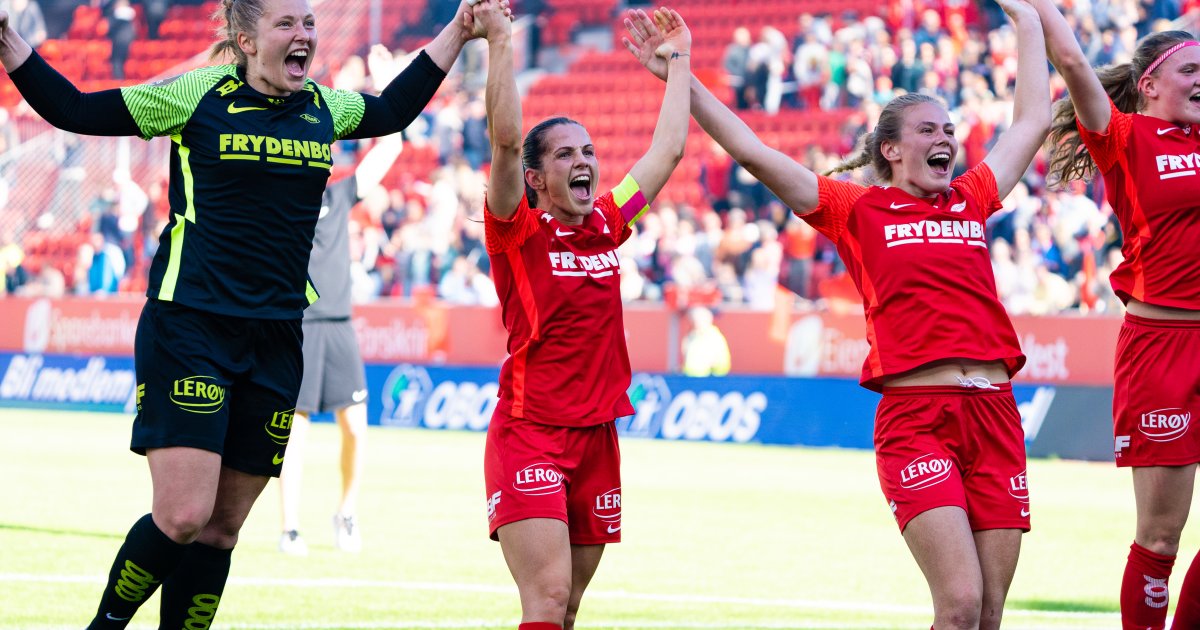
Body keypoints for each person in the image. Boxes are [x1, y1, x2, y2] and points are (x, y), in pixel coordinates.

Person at [0, 0, 489, 626]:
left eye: (308, 24)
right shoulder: (195, 95)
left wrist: (460, 28)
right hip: (192, 323)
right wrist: (11, 42)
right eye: (286, 24)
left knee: (222, 530)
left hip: (279, 337)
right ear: (245, 39)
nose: (303, 35)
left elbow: (392, 109)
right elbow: (74, 110)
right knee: (183, 515)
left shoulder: (324, 107)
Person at [625, 1, 1048, 627]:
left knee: (988, 613)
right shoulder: (857, 209)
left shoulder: (972, 197)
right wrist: (681, 74)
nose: (946, 140)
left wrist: (1029, 20)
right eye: (928, 130)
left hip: (995, 416)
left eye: (949, 130)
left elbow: (1035, 116)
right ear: (892, 150)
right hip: (918, 420)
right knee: (957, 604)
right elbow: (753, 152)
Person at [478, 5, 691, 630]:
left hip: (597, 438)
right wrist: (501, 39)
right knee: (544, 601)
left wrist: (678, 61)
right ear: (536, 178)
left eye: (589, 151)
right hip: (530, 434)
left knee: (568, 608)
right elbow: (506, 140)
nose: (584, 162)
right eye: (566, 154)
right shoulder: (517, 230)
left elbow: (668, 150)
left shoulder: (606, 223)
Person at [1033, 4, 1200, 627]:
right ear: (1150, 84)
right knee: (1160, 537)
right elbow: (1073, 60)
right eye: (1189, 69)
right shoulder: (1124, 137)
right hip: (1161, 346)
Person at [276, 132, 405, 556]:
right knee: (295, 433)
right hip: (297, 327)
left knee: (356, 426)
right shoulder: (274, 201)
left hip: (339, 325)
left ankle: (345, 514)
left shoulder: (338, 194)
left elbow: (390, 150)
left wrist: (390, 92)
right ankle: (290, 528)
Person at [680, 305, 731, 377]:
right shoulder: (692, 336)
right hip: (690, 379)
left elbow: (717, 363)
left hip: (706, 381)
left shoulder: (713, 337)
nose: (695, 323)